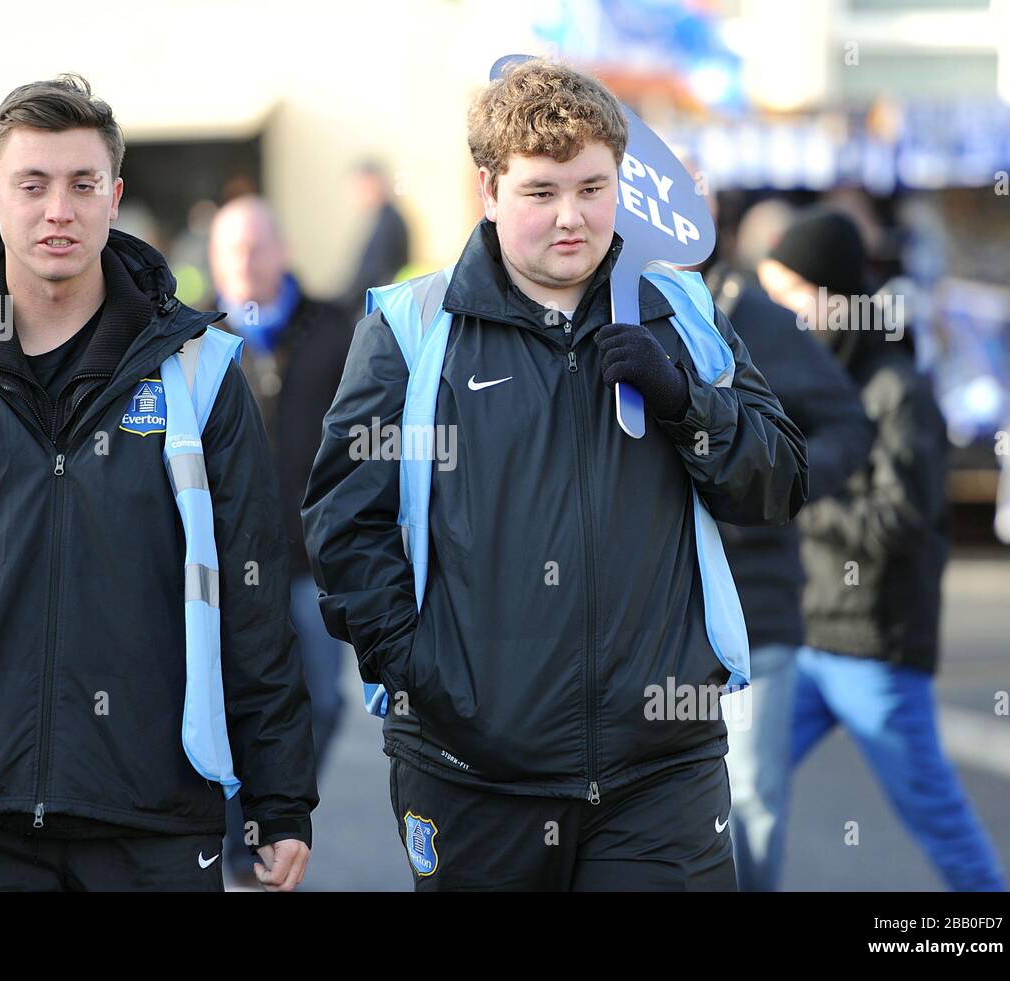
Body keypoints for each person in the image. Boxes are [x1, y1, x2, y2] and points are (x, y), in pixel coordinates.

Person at [303, 58, 808, 891]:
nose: (571, 218)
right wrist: (426, 675)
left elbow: (779, 480)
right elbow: (343, 522)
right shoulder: (411, 329)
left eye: (592, 188)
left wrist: (686, 402)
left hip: (662, 771)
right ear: (489, 190)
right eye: (541, 192)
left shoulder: (679, 310)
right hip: (471, 774)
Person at [0, 74, 316, 892]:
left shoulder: (199, 372)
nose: (59, 209)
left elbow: (252, 597)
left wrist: (279, 797)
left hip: (153, 822)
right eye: (33, 183)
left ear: (114, 195)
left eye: (82, 184)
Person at [757, 207, 1007, 891]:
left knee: (939, 819)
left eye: (790, 294)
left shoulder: (895, 385)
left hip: (875, 644)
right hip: (804, 635)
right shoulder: (805, 374)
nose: (777, 310)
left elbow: (900, 518)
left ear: (834, 294)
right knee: (730, 794)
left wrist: (795, 494)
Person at [703, 198, 875, 891]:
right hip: (637, 619)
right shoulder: (606, 310)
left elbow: (845, 425)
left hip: (754, 612)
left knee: (750, 801)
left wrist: (776, 492)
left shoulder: (752, 317)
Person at [207, 194, 354, 884]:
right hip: (223, 567)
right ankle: (247, 840)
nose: (242, 260)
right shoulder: (193, 338)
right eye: (229, 249)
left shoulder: (335, 329)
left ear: (282, 250)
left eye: (255, 246)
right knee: (232, 708)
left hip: (310, 563)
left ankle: (280, 810)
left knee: (321, 701)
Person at [339, 161, 410, 312]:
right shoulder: (383, 219)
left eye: (359, 188)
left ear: (373, 183)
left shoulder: (389, 224)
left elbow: (372, 276)